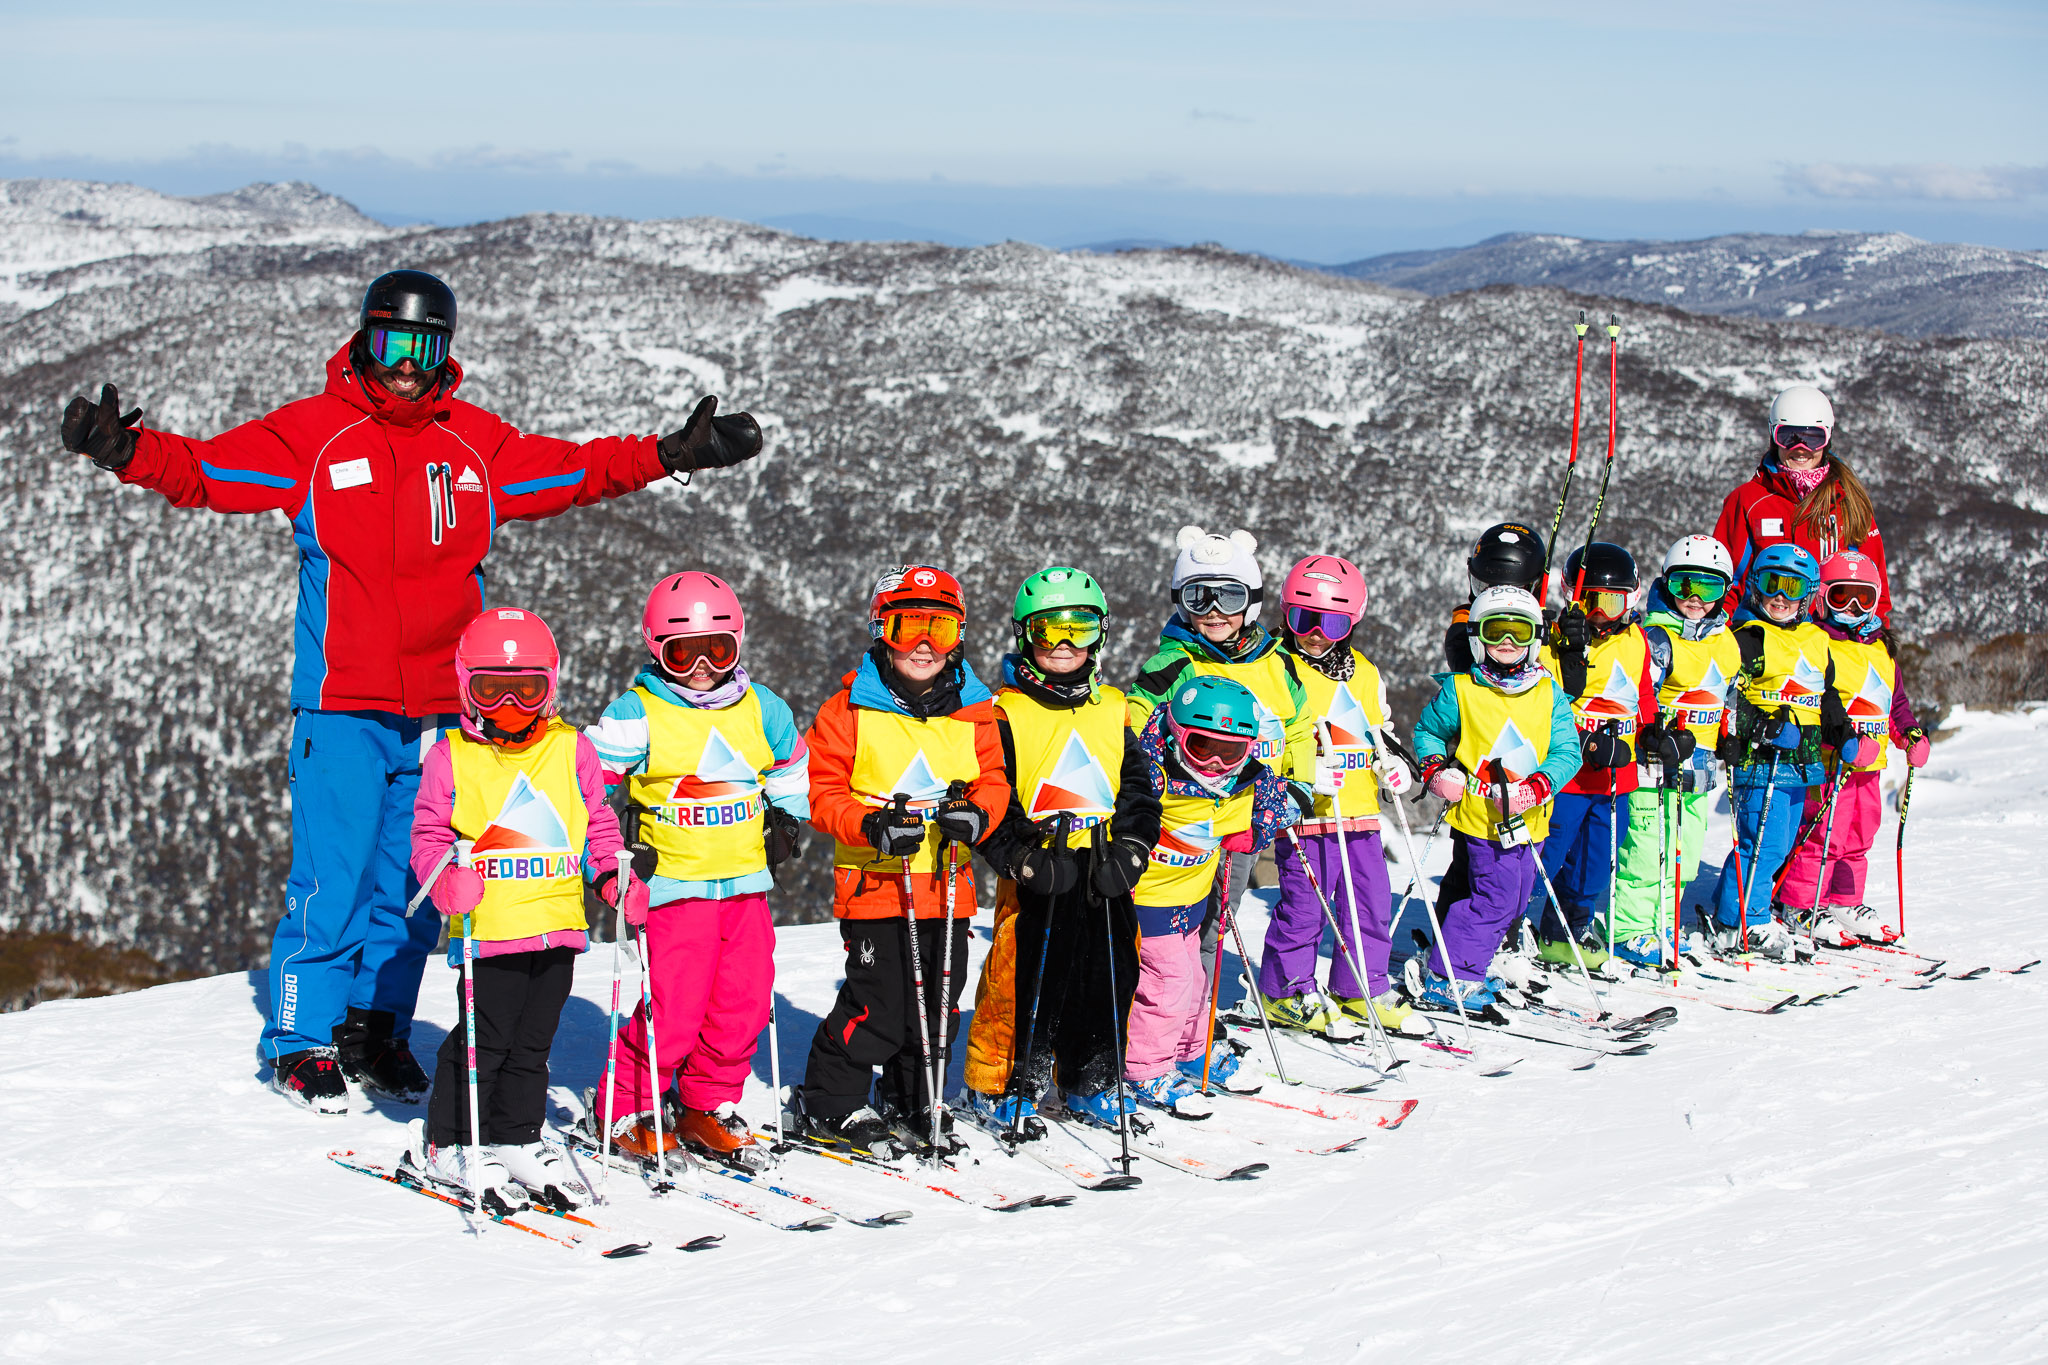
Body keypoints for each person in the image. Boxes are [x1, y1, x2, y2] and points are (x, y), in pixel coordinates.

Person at [55, 269, 762, 1112]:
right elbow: (209, 472)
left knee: (417, 883)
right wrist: (126, 451)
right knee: (333, 879)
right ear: (365, 337)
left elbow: (573, 470)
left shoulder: (472, 446)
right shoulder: (313, 435)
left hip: (445, 708)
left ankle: (376, 1026)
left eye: (424, 346)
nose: (405, 363)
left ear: (444, 351)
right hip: (343, 706)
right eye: (392, 342)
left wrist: (668, 456)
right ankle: (302, 1036)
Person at [579, 573, 809, 1167]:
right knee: (675, 1007)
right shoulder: (640, 714)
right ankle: (625, 1104)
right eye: (684, 652)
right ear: (657, 648)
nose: (702, 666)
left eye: (719, 650)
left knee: (745, 1001)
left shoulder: (763, 707)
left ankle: (705, 1102)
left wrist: (785, 820)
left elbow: (789, 762)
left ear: (738, 646)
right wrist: (610, 857)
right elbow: (583, 784)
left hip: (746, 886)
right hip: (673, 888)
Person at [405, 607, 624, 1214]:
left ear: (548, 688)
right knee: (483, 1039)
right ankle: (452, 1140)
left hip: (556, 925)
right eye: (491, 689)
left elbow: (595, 824)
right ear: (465, 688)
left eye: (526, 690)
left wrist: (610, 876)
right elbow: (425, 834)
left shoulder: (571, 749)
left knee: (534, 1042)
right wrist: (445, 882)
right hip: (490, 930)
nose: (509, 704)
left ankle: (516, 1133)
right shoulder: (452, 756)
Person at [792, 566, 1010, 1156]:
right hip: (875, 884)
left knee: (940, 1000)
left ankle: (916, 1098)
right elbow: (820, 789)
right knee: (880, 1001)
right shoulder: (849, 710)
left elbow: (994, 780)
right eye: (908, 624)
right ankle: (830, 1104)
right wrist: (868, 824)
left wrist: (977, 817)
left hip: (947, 885)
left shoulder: (975, 709)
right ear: (881, 630)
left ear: (958, 635)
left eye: (938, 628)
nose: (922, 643)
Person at [961, 568, 1161, 1133]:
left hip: (1103, 868)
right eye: (1050, 630)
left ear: (1100, 635)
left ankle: (1091, 1078)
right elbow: (987, 800)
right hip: (1040, 871)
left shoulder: (1112, 708)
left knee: (1110, 976)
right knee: (1020, 981)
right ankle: (1002, 1084)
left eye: (1080, 627)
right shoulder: (1004, 712)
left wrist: (1133, 848)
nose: (1066, 644)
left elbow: (1139, 791)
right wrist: (1019, 856)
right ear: (1026, 635)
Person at [1258, 555, 1429, 1039]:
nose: (1315, 632)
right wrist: (1306, 773)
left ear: (1351, 622)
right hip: (1306, 815)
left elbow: (1380, 732)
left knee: (1370, 905)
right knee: (1305, 908)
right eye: (1302, 618)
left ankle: (1361, 987)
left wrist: (1392, 765)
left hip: (1359, 814)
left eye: (1330, 622)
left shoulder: (1364, 674)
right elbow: (1261, 745)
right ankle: (1285, 991)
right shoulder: (1275, 669)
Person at [1126, 526, 1316, 962]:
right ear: (1180, 601)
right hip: (1184, 821)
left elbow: (1300, 728)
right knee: (1173, 920)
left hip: (1247, 814)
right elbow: (1135, 729)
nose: (1214, 612)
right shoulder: (1174, 664)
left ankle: (1198, 1015)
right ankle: (1164, 1009)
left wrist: (1299, 787)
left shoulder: (1276, 664)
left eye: (1229, 598)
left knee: (1219, 917)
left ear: (1251, 601)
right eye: (1198, 598)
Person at [1125, 676, 1299, 1117]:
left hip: (1194, 898)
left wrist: (1255, 830)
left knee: (1196, 979)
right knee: (1168, 984)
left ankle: (1191, 1049)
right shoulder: (1151, 773)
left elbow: (1276, 805)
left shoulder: (1246, 780)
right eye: (1203, 747)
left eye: (1232, 751)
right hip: (1146, 900)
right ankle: (1145, 1068)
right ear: (1177, 735)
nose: (1218, 764)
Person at [1409, 587, 1580, 1012]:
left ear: (1535, 638)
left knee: (1516, 900)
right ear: (1476, 637)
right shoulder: (1462, 690)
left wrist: (1540, 785)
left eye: (1518, 632)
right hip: (1481, 818)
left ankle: (1459, 962)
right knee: (1495, 900)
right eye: (1495, 630)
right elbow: (1427, 732)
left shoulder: (1548, 692)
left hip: (1530, 817)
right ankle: (1452, 977)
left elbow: (1567, 751)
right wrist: (1435, 771)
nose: (1507, 642)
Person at [1710, 544, 1859, 960]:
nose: (1781, 596)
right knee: (1764, 844)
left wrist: (1842, 732)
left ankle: (1743, 909)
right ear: (1756, 586)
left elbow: (1826, 698)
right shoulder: (1748, 638)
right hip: (1763, 762)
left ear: (1807, 594)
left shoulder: (1816, 639)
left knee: (1780, 843)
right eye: (1772, 584)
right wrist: (1763, 729)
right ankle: (1742, 922)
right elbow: (1727, 697)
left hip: (1804, 764)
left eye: (1792, 588)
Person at [1775, 550, 1930, 946]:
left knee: (1861, 835)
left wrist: (1910, 736)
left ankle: (1844, 900)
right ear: (1823, 596)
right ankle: (1801, 904)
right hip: (1833, 765)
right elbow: (1813, 704)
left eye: (1864, 597)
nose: (1854, 607)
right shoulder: (1819, 642)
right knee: (1824, 836)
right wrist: (1839, 742)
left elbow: (1896, 705)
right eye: (1842, 596)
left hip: (1870, 765)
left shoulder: (1882, 648)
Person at [1606, 536, 1743, 965]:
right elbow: (1638, 696)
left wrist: (1730, 737)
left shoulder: (1727, 643)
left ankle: (1660, 922)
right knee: (1645, 853)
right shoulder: (1657, 639)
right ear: (1668, 583)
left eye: (1710, 588)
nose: (1696, 599)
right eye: (1685, 585)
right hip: (1652, 770)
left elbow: (1729, 699)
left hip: (1699, 771)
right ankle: (1629, 929)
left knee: (1685, 851)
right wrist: (1652, 736)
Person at [1527, 543, 1656, 968]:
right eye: (1589, 600)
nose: (1600, 613)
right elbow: (1545, 705)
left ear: (1631, 599)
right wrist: (1563, 645)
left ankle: (1569, 925)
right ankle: (1511, 927)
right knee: (1549, 854)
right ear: (1571, 595)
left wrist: (1653, 733)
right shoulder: (1557, 641)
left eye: (1612, 601)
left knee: (1596, 861)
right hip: (1569, 777)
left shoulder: (1637, 640)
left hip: (1617, 776)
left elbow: (1641, 695)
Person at [1713, 384, 1891, 622]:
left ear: (1827, 439)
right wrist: (1720, 634)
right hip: (1764, 638)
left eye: (1813, 438)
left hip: (1829, 640)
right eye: (1789, 437)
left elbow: (1873, 583)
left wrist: (1875, 639)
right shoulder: (1749, 500)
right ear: (1773, 437)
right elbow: (1728, 579)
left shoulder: (1848, 502)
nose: (1801, 449)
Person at [1445, 522, 1549, 673]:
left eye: (1516, 591)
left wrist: (1569, 653)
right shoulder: (1465, 622)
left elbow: (1564, 691)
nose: (1498, 602)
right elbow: (1463, 660)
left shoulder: (1547, 627)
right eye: (1486, 588)